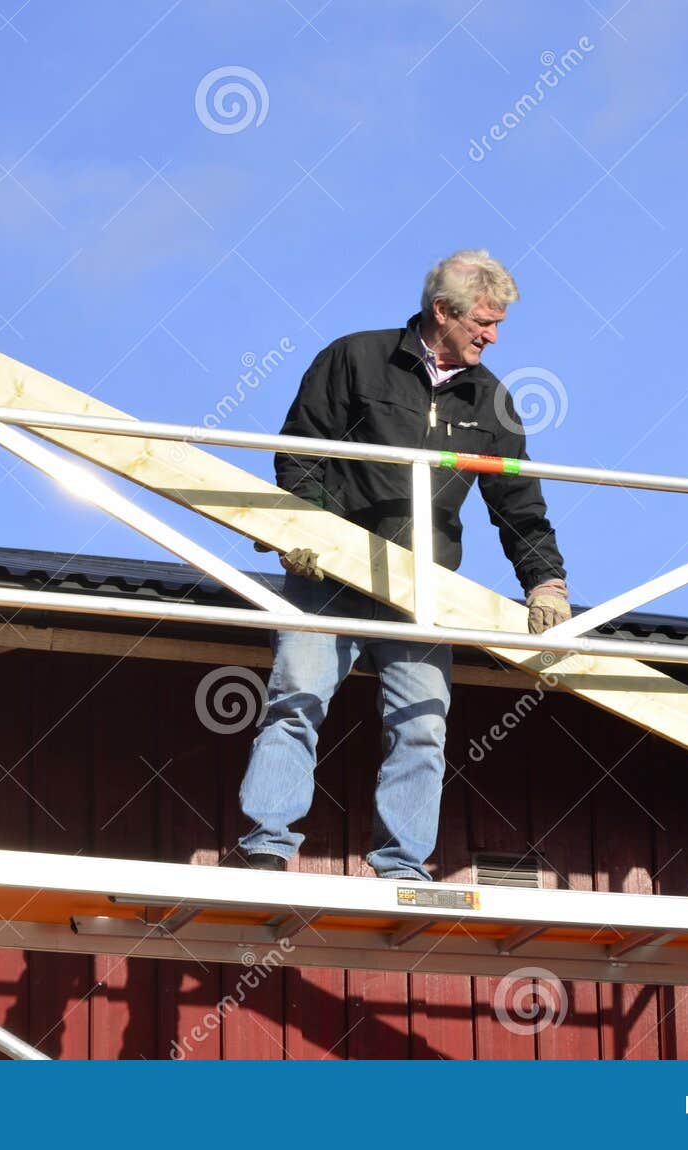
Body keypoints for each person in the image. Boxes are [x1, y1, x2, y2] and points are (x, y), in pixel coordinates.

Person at [227, 249, 570, 881]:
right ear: (442, 311)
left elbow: (518, 502)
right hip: (330, 577)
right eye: (483, 323)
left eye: (498, 325)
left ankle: (402, 867)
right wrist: (305, 529)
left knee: (421, 726)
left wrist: (546, 581)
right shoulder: (355, 358)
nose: (493, 338)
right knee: (296, 698)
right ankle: (266, 845)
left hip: (422, 592)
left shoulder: (491, 400)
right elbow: (300, 451)